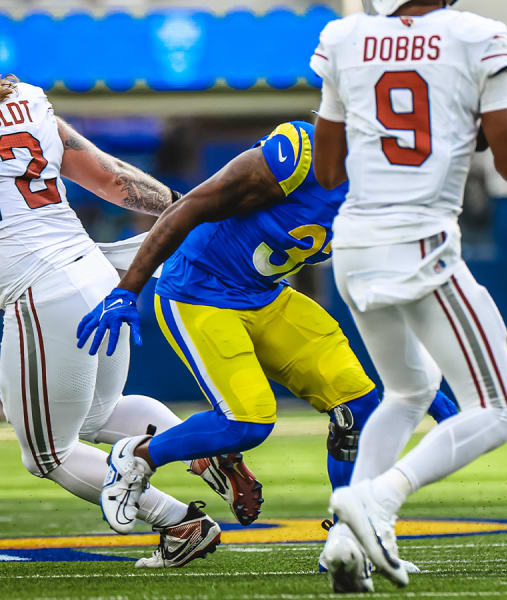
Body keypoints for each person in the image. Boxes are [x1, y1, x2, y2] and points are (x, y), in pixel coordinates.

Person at [76, 121, 459, 558]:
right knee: (247, 423)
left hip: (266, 295)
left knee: (358, 405)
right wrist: (129, 289)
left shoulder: (391, 202)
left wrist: (419, 384)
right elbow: (191, 206)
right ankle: (139, 456)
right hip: (199, 292)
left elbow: (386, 293)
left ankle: (347, 534)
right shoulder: (301, 154)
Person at [310, 0, 507, 592]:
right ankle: (378, 501)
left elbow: (326, 172)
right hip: (421, 244)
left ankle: (347, 544)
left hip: (352, 245)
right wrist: (474, 113)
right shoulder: (478, 37)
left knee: (410, 388)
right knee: (498, 406)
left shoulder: (344, 39)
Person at [0, 75, 241, 570]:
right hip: (95, 274)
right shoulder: (26, 101)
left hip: (42, 290)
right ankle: (204, 450)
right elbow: (112, 178)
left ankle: (179, 522)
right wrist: (185, 211)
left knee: (47, 454)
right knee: (98, 414)